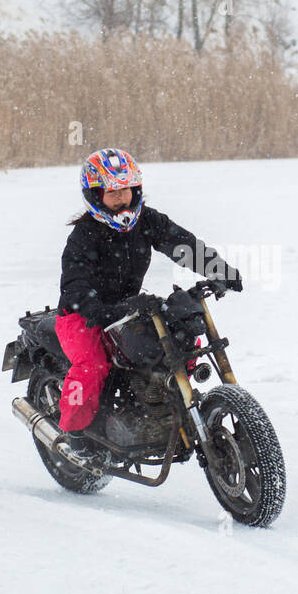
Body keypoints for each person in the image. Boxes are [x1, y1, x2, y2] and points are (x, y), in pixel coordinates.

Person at [55, 148, 241, 465]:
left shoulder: (146, 220)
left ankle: (165, 406)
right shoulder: (85, 235)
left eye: (125, 189)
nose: (121, 199)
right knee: (93, 366)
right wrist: (96, 308)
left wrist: (218, 269)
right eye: (112, 192)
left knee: (180, 336)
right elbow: (75, 286)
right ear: (95, 195)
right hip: (81, 316)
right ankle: (74, 433)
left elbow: (181, 244)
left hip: (130, 308)